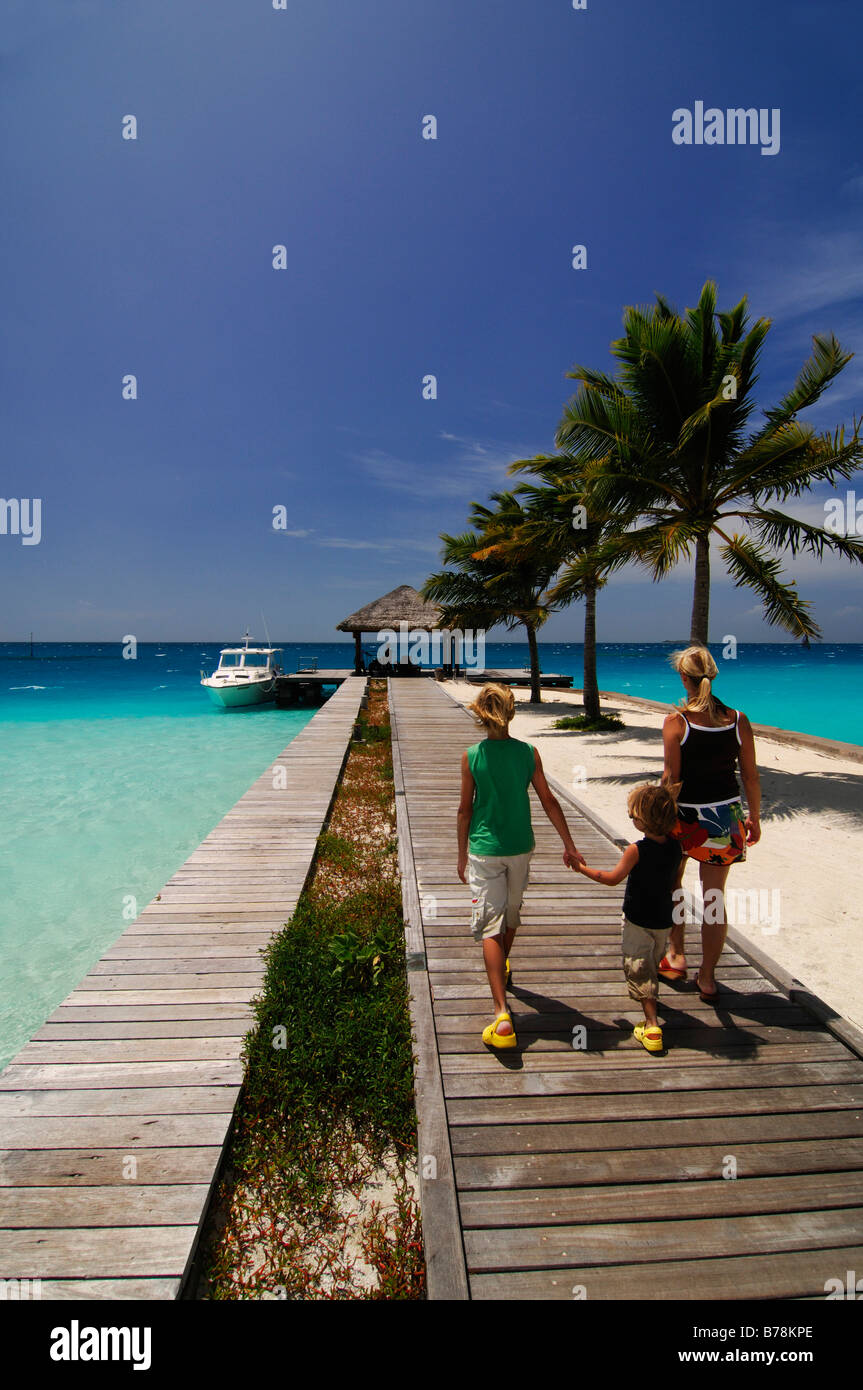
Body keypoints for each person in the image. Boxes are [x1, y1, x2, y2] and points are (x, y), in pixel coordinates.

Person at [457, 682, 584, 1049]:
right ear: (511, 712)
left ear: (480, 715)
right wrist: (569, 845)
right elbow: (549, 801)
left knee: (489, 926)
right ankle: (503, 966)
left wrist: (461, 854)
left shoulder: (472, 756)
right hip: (520, 848)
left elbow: (465, 809)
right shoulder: (529, 753)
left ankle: (501, 1014)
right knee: (510, 915)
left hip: (484, 849)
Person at [659, 646, 761, 1002]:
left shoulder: (678, 722)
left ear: (684, 678)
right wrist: (755, 818)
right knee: (715, 898)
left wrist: (658, 818)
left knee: (674, 883)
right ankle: (708, 976)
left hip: (685, 817)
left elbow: (672, 779)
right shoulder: (737, 719)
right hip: (726, 819)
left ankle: (675, 954)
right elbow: (750, 776)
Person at [573, 783, 683, 1054]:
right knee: (652, 961)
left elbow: (612, 879)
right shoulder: (676, 847)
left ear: (645, 820)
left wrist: (582, 868)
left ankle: (652, 1025)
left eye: (633, 815)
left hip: (637, 919)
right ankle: (652, 1002)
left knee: (640, 969)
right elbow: (675, 884)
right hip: (663, 918)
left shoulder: (636, 850)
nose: (630, 818)